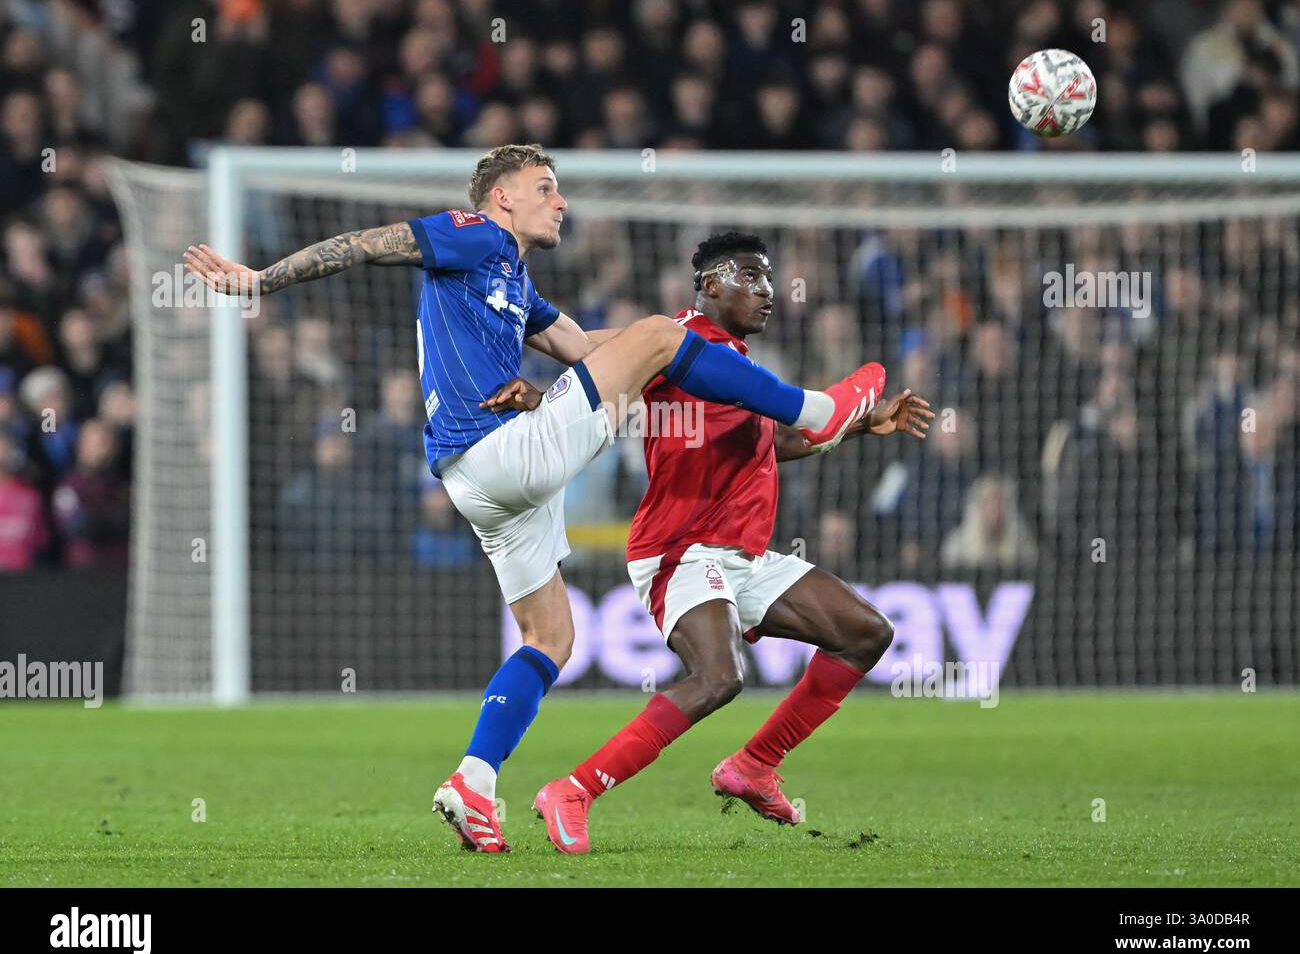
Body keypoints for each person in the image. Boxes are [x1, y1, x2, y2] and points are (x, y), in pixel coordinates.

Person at [183, 144, 886, 853]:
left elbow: (585, 349)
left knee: (551, 637)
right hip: (502, 452)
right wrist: (262, 281)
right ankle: (814, 407)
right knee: (662, 334)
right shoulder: (474, 231)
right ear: (503, 197)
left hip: (481, 482)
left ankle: (474, 784)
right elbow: (370, 243)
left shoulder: (514, 282)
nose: (561, 202)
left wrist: (578, 382)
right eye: (546, 188)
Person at [525, 232, 932, 854]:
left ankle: (753, 766)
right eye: (753, 278)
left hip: (741, 553)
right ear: (711, 284)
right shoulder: (669, 342)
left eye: (770, 280)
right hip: (679, 548)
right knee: (718, 678)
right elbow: (590, 364)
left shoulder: (732, 361)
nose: (769, 292)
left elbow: (782, 440)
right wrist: (531, 396)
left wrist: (864, 427)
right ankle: (572, 790)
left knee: (866, 632)